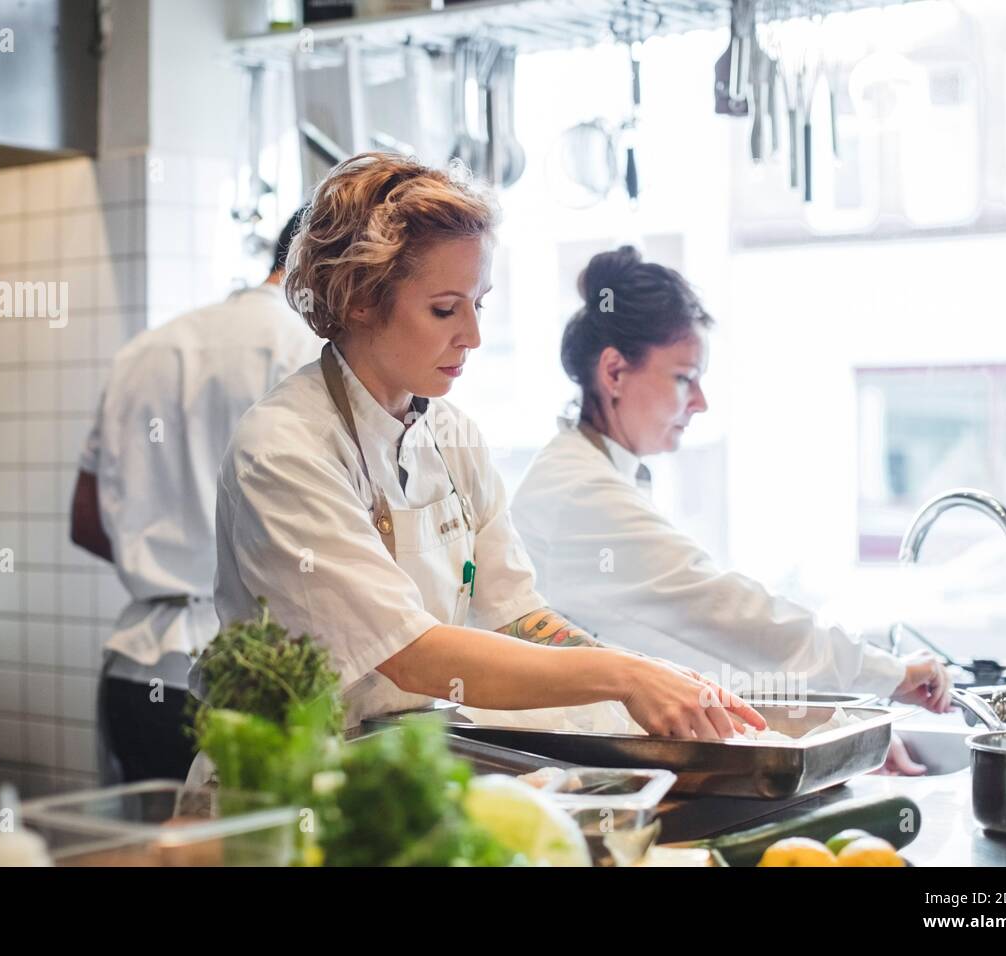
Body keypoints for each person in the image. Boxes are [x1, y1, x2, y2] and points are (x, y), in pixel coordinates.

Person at [202, 153, 766, 744]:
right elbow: (411, 653)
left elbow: (516, 614)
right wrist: (623, 676)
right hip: (290, 784)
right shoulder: (284, 449)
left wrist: (645, 675)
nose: (472, 336)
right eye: (445, 309)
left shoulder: (453, 435)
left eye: (479, 304)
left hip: (410, 762)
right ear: (360, 299)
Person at [510, 246, 951, 769]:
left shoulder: (597, 476)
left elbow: (686, 641)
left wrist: (841, 721)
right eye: (683, 377)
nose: (700, 401)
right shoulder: (578, 495)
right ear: (614, 372)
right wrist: (889, 673)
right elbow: (729, 612)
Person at [70, 207, 321, 783]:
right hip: (247, 680)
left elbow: (84, 520)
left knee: (151, 851)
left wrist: (162, 560)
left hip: (135, 671)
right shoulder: (310, 351)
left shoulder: (145, 350)